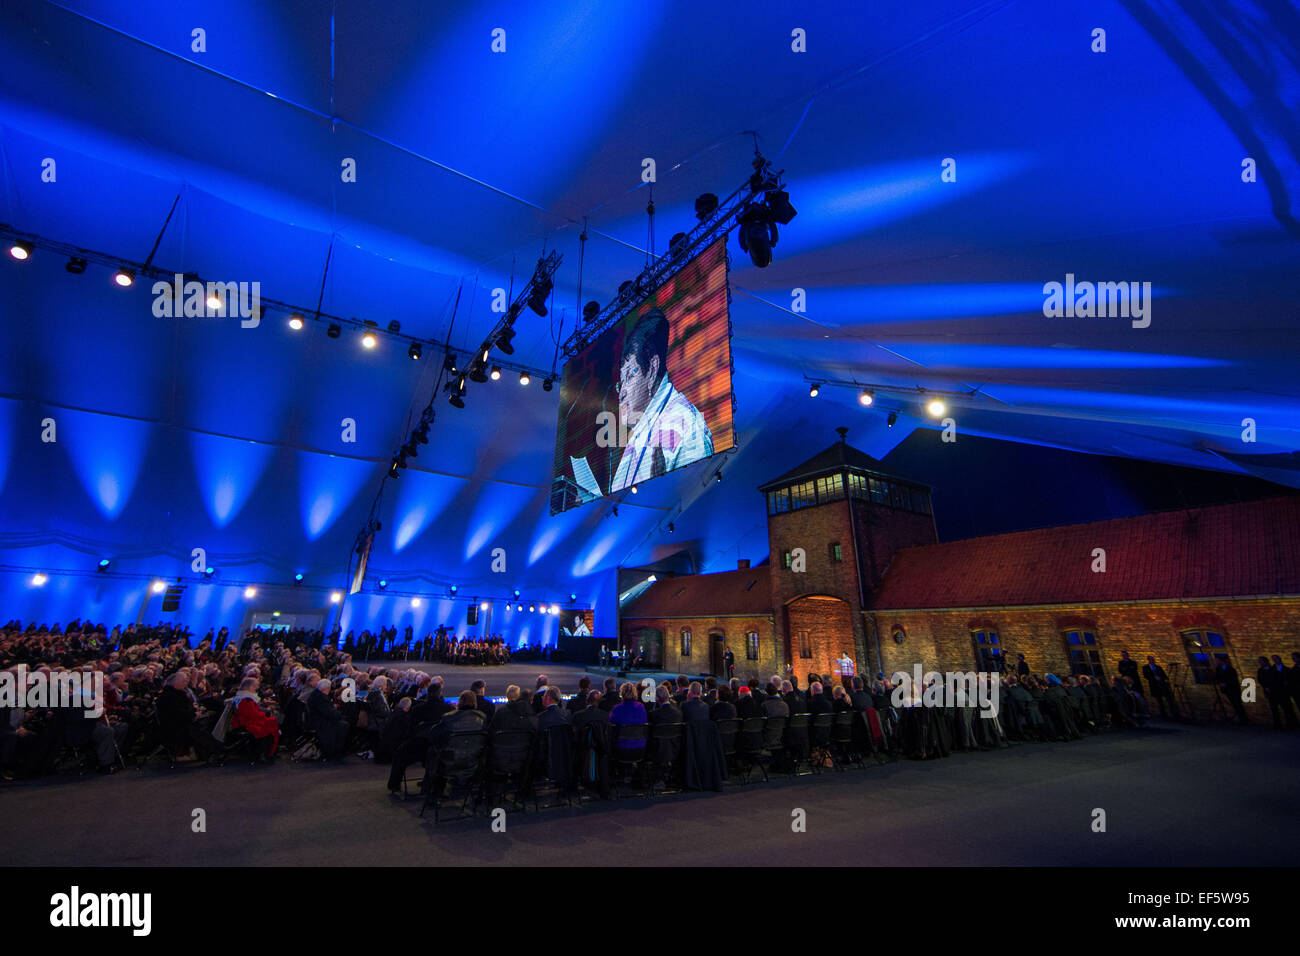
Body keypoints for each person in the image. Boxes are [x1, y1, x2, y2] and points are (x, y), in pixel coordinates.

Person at [607, 308, 714, 493]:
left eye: (630, 376)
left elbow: (697, 493)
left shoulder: (687, 424)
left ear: (652, 369)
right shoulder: (641, 429)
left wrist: (663, 483)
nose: (621, 392)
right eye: (621, 381)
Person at [229, 677, 280, 760]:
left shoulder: (242, 697)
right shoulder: (246, 699)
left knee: (271, 721)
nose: (256, 689)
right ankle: (266, 753)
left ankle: (267, 751)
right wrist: (266, 714)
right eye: (255, 686)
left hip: (246, 721)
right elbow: (253, 714)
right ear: (250, 687)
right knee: (272, 723)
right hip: (247, 723)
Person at [1214, 659, 1249, 724]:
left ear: (1222, 661)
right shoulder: (1218, 669)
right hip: (1226, 690)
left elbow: (1233, 679)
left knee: (1238, 704)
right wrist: (1220, 683)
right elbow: (1217, 677)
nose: (1216, 662)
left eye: (1217, 661)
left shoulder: (1230, 669)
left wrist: (1226, 683)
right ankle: (1241, 719)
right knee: (1234, 704)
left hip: (1233, 689)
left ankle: (1244, 719)